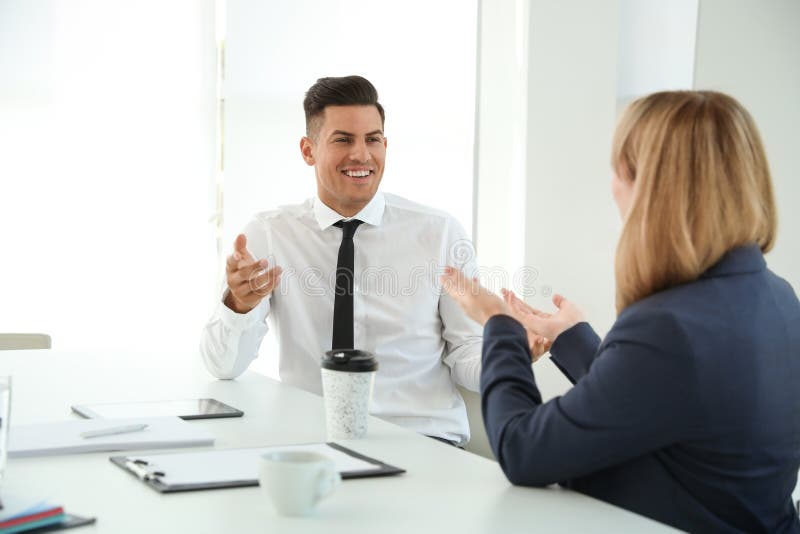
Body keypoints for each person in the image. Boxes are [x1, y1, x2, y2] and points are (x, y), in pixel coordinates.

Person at [442, 91, 800, 532]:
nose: (612, 184)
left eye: (618, 168)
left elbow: (521, 449)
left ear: (647, 183)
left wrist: (498, 325)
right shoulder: (779, 298)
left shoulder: (668, 327)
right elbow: (665, 399)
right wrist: (573, 337)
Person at [201, 75, 482, 446]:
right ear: (308, 150)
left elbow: (467, 351)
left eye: (373, 139)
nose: (362, 155)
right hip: (312, 442)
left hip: (422, 439)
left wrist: (509, 355)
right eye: (343, 140)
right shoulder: (269, 234)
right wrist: (238, 305)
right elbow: (222, 366)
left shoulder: (440, 233)